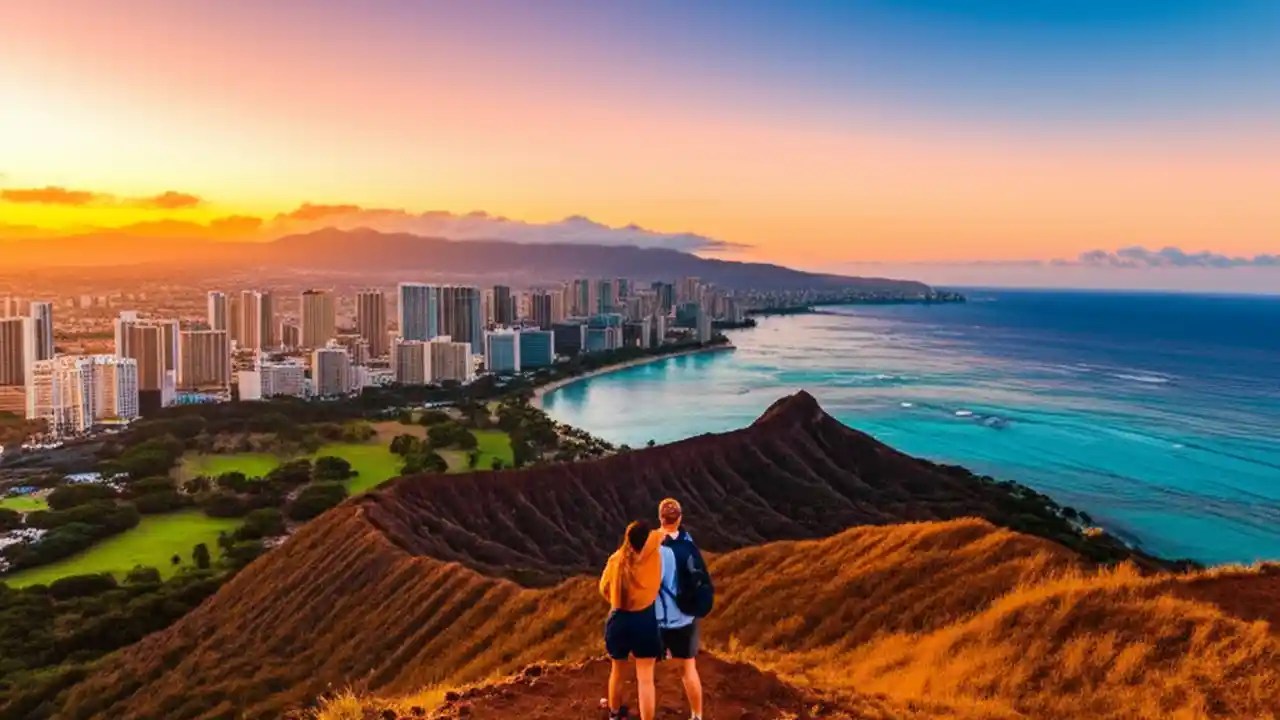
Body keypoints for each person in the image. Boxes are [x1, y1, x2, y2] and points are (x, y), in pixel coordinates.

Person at [599, 519, 664, 720]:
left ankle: (614, 714)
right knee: (645, 677)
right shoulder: (653, 557)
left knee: (617, 671)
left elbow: (604, 588)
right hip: (644, 619)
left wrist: (616, 601)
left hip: (618, 619)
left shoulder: (616, 560)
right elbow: (659, 535)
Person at [656, 498, 705, 720]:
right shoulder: (689, 544)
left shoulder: (655, 547)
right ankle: (697, 715)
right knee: (688, 669)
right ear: (680, 519)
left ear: (660, 518)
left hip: (660, 619)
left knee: (649, 672)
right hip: (686, 618)